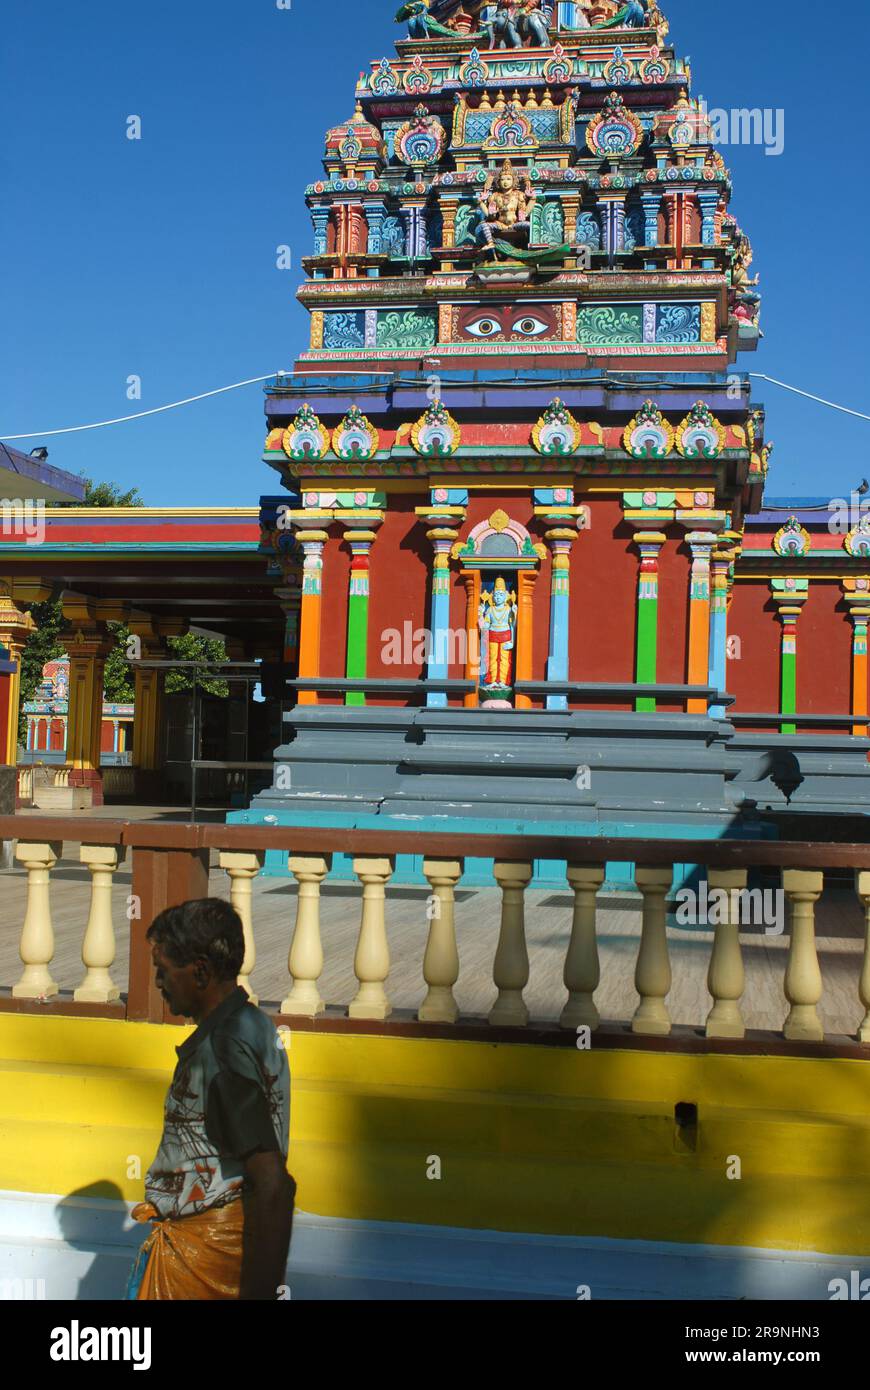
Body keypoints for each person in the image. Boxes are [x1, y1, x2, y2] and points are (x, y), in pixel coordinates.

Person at [126, 899, 294, 1301]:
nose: (158, 983)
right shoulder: (252, 1024)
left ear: (200, 971)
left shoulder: (221, 1053)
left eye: (164, 971)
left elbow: (272, 1183)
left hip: (204, 1257)